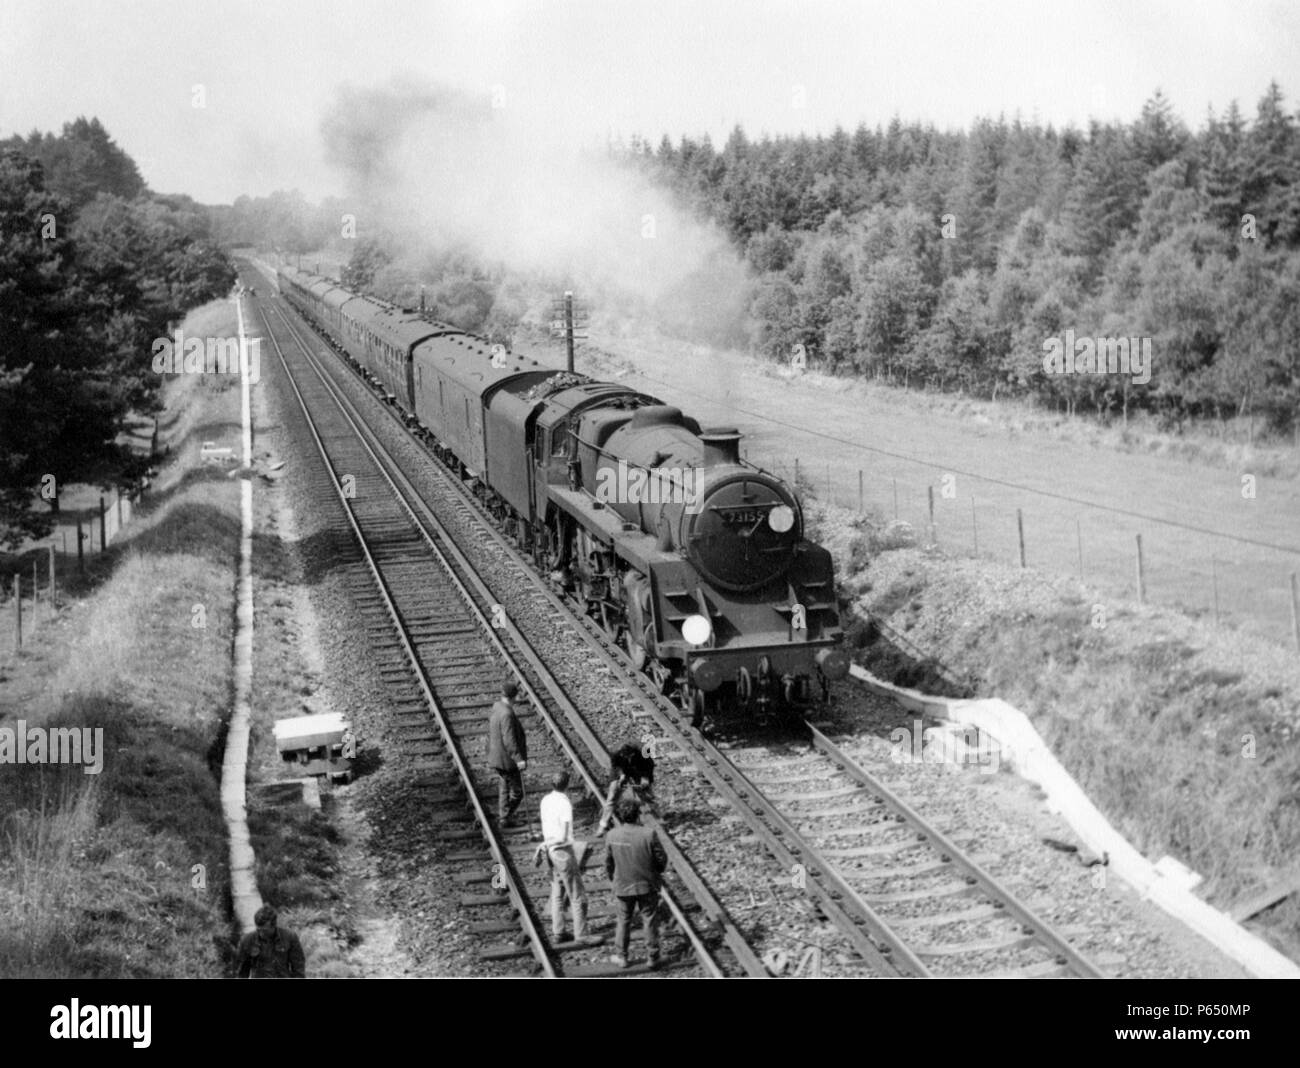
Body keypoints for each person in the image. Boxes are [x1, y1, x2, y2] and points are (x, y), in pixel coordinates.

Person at [603, 797, 667, 969]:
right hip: (647, 884)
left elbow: (608, 863)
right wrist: (656, 872)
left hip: (623, 885)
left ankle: (622, 957)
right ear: (637, 814)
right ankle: (653, 957)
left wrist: (613, 879)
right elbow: (661, 859)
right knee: (649, 920)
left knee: (623, 920)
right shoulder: (648, 833)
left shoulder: (612, 835)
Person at [538, 770, 601, 945]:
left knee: (558, 894)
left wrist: (545, 844)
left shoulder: (545, 800)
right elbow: (564, 836)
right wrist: (545, 844)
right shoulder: (565, 803)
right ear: (567, 784)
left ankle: (558, 932)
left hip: (550, 853)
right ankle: (581, 935)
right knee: (577, 895)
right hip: (562, 852)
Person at [486, 678, 527, 825]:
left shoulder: (497, 708)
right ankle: (505, 817)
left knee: (504, 787)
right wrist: (519, 759)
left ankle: (504, 815)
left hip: (497, 757)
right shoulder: (507, 714)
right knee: (517, 792)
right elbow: (509, 739)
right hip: (507, 759)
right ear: (513, 697)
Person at [595, 742, 656, 835]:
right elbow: (615, 765)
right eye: (624, 756)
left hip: (638, 769)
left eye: (629, 756)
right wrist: (621, 774)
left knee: (647, 794)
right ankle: (603, 825)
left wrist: (646, 778)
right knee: (612, 795)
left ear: (633, 753)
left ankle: (655, 816)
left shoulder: (643, 750)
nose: (627, 757)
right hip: (622, 770)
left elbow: (649, 765)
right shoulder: (614, 752)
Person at [236, 905, 306, 978]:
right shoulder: (247, 940)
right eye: (258, 929)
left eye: (264, 930)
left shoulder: (290, 937)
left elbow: (298, 968)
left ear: (274, 925)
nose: (261, 933)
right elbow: (242, 972)